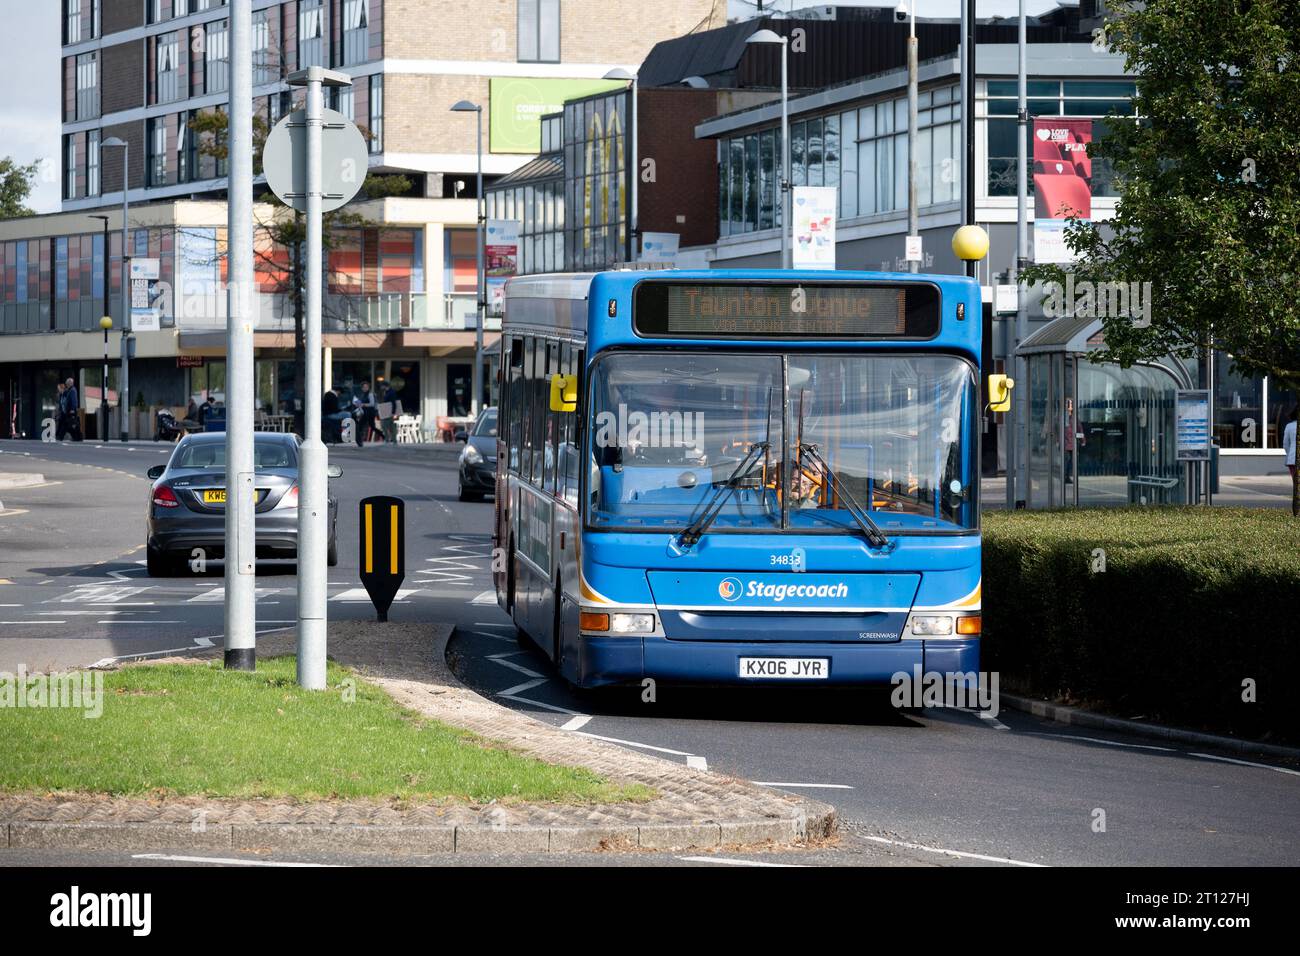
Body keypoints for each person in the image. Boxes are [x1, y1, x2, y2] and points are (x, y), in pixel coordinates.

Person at [355, 379, 377, 446]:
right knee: (360, 427)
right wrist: (358, 404)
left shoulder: (370, 394)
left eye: (366, 387)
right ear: (362, 388)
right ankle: (360, 441)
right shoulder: (363, 395)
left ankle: (360, 441)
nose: (365, 388)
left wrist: (363, 404)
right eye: (364, 387)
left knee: (361, 427)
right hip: (364, 412)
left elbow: (372, 404)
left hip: (369, 413)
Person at [63, 377, 83, 441]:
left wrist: (72, 409)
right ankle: (76, 437)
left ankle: (78, 437)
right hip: (69, 410)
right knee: (71, 424)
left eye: (67, 383)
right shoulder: (70, 390)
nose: (66, 385)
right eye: (66, 383)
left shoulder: (72, 390)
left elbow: (74, 400)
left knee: (72, 425)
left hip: (71, 411)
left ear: (70, 383)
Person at [1285, 407, 1297, 481]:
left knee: (1295, 480)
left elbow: (1285, 444)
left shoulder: (1289, 426)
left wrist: (1290, 454)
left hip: (1292, 459)